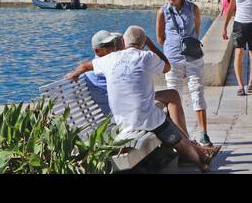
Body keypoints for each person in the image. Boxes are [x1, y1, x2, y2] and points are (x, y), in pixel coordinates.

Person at [83, 26, 218, 170]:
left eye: (116, 42)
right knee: (162, 110)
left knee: (171, 95)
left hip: (127, 107)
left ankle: (191, 147)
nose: (116, 47)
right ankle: (194, 149)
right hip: (119, 114)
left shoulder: (106, 61)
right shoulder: (105, 64)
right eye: (111, 45)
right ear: (98, 50)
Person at [155, 0, 212, 146]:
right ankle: (182, 137)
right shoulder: (162, 12)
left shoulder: (193, 8)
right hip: (172, 59)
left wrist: (188, 45)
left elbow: (196, 29)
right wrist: (173, 48)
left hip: (193, 56)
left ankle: (203, 133)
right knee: (174, 96)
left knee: (197, 92)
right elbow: (160, 37)